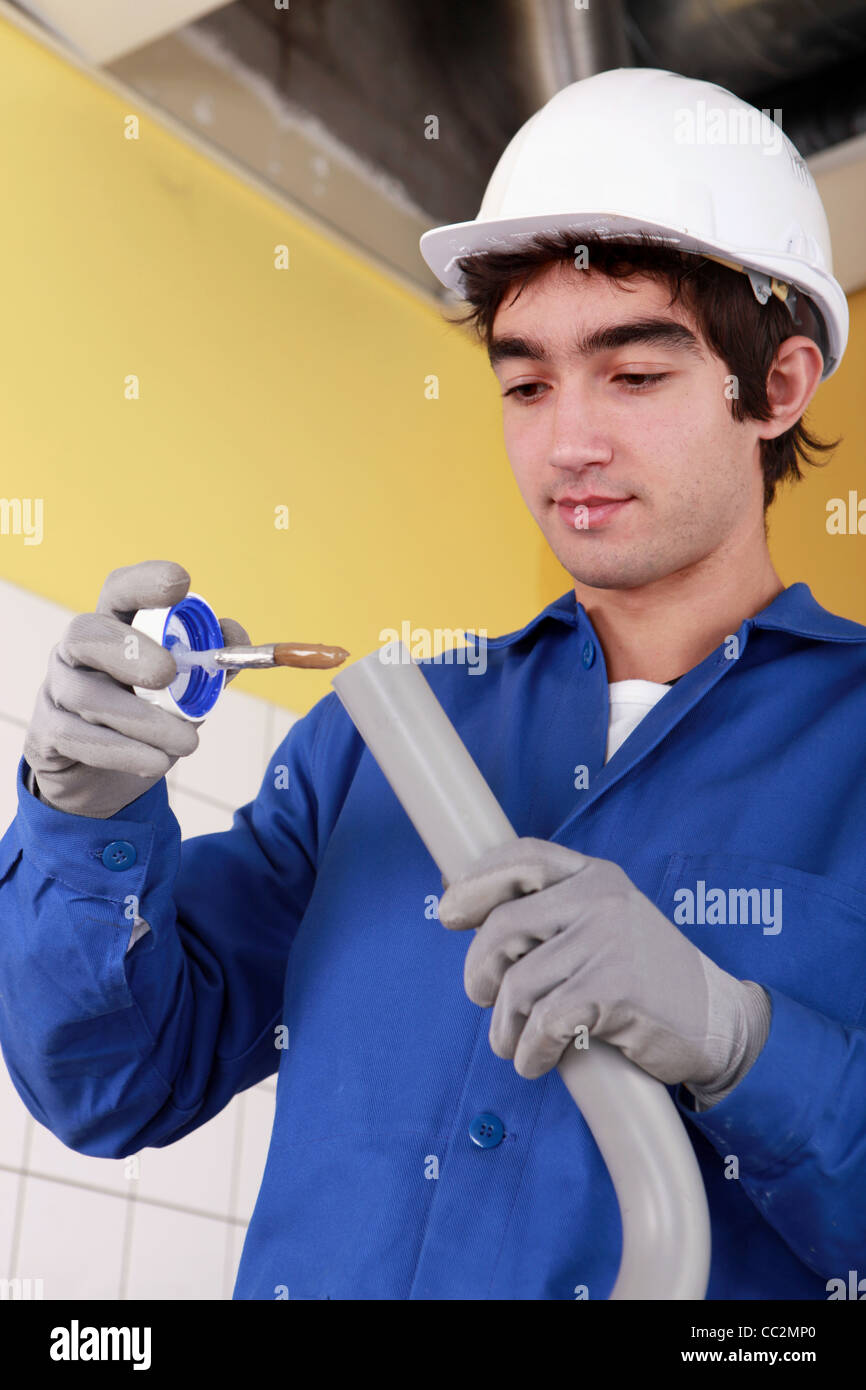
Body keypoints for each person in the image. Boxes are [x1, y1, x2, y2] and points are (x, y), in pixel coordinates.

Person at [0, 67, 863, 1301]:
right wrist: (80, 827)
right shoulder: (375, 734)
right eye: (523, 383)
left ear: (773, 388)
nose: (565, 441)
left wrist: (743, 1046)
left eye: (631, 375)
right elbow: (113, 1081)